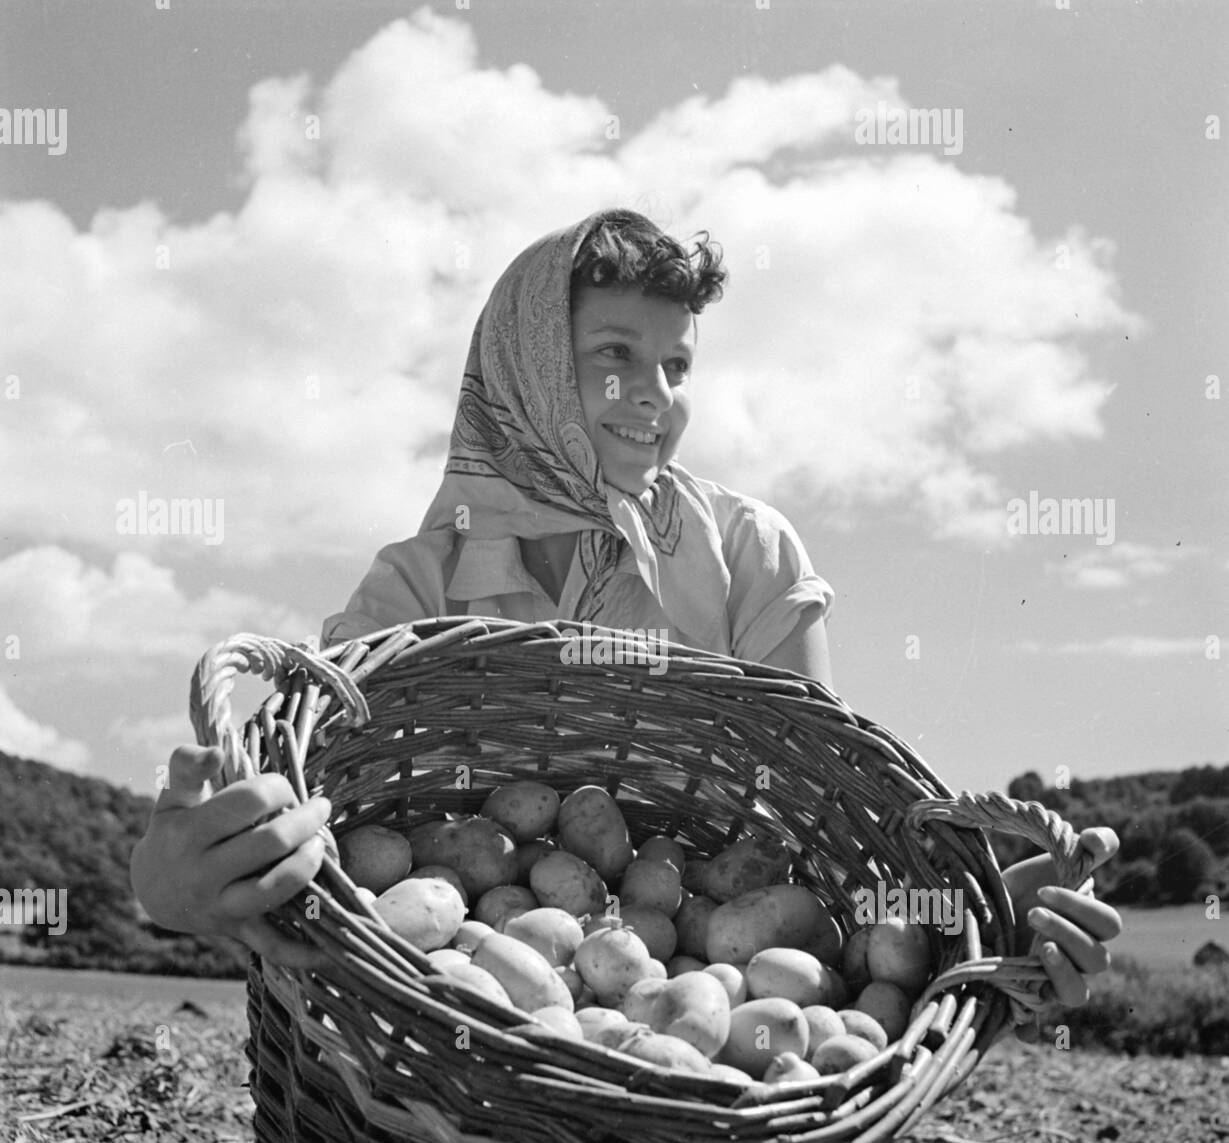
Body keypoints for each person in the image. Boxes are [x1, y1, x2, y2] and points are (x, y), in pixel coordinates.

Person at [130, 208, 1120, 1018]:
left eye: (677, 367)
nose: (655, 397)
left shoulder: (746, 557)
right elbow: (307, 814)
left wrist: (985, 916)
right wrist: (175, 880)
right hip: (421, 1074)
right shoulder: (418, 589)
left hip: (693, 1081)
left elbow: (826, 838)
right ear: (527, 371)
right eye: (616, 354)